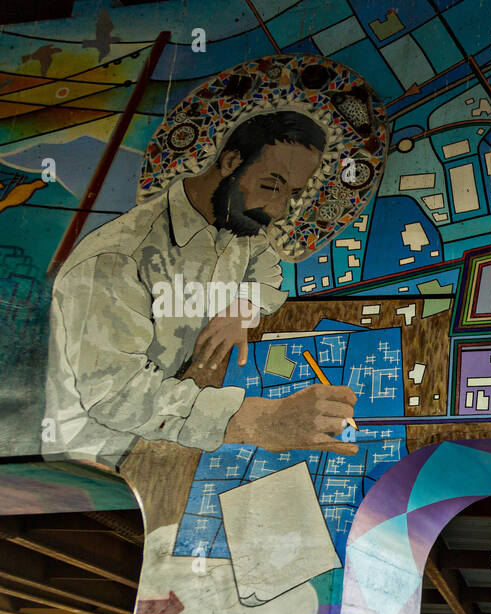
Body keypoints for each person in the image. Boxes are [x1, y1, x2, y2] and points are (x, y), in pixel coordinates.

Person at [43, 110, 359, 469]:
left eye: (291, 194)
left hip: (184, 420)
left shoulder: (235, 223)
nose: (277, 209)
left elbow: (268, 271)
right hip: (105, 460)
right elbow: (116, 396)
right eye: (271, 186)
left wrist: (243, 308)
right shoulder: (115, 258)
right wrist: (261, 420)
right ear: (230, 161)